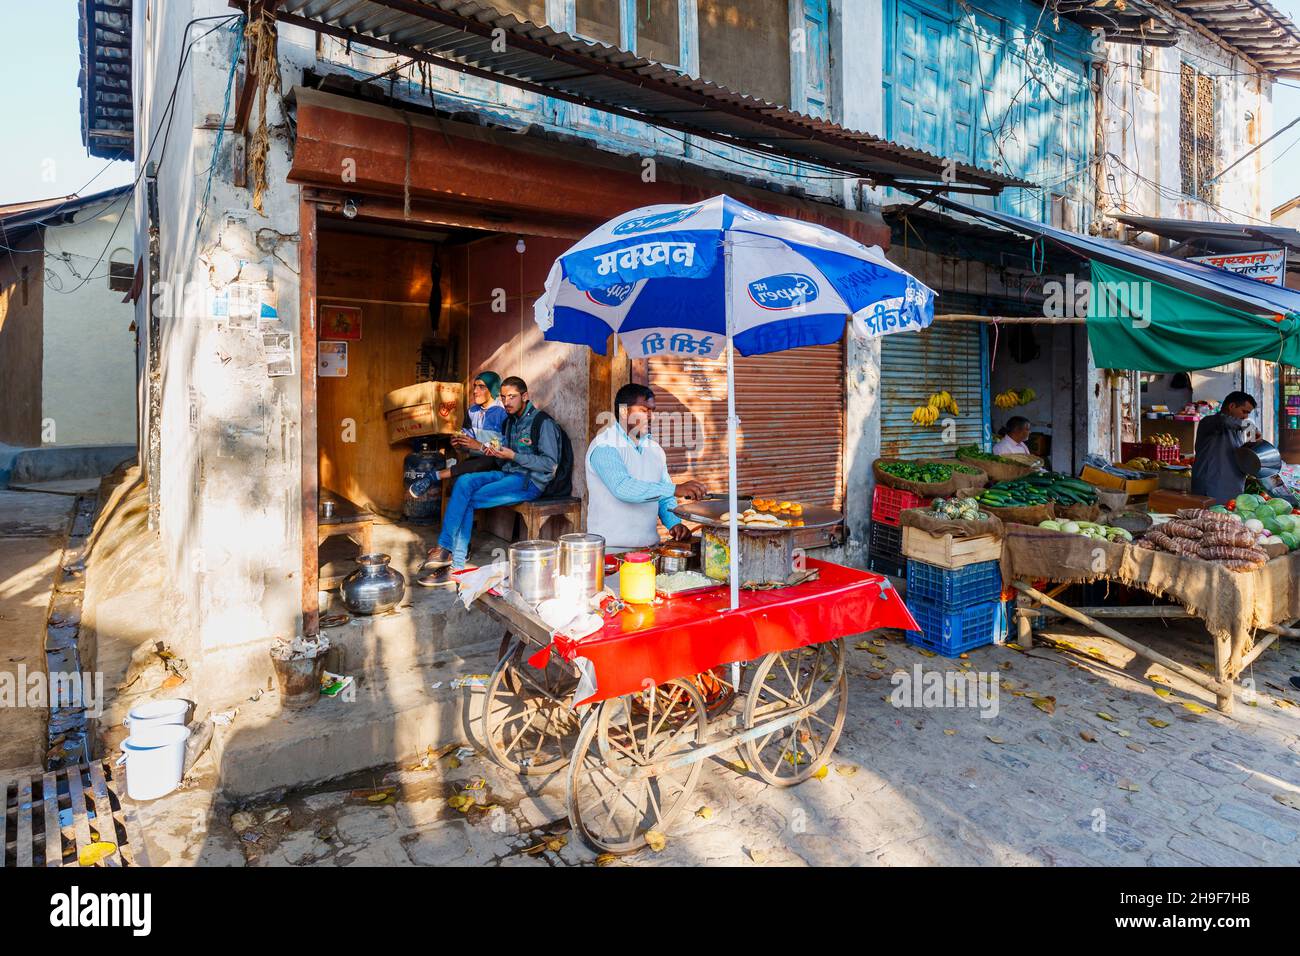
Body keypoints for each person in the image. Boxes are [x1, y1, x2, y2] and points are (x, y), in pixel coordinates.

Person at [417, 377, 563, 586]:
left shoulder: (542, 423)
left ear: (525, 396)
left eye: (512, 397)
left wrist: (513, 456)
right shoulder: (510, 422)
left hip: (528, 482)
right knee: (464, 483)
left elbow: (549, 465)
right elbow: (500, 452)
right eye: (503, 397)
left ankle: (455, 564)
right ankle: (445, 550)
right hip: (507, 473)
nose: (507, 402)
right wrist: (484, 447)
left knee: (468, 498)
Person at [586, 383, 707, 550]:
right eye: (644, 410)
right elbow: (623, 488)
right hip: (610, 551)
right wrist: (675, 489)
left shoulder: (655, 450)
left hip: (649, 549)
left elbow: (664, 496)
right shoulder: (604, 445)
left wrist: (674, 524)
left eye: (653, 411)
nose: (651, 417)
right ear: (623, 411)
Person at [1191, 391, 1257, 503]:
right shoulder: (1209, 422)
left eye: (1248, 414)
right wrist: (1250, 427)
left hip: (1233, 487)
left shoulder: (1238, 429)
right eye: (1244, 411)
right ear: (1231, 406)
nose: (1246, 416)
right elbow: (1224, 420)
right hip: (1212, 487)